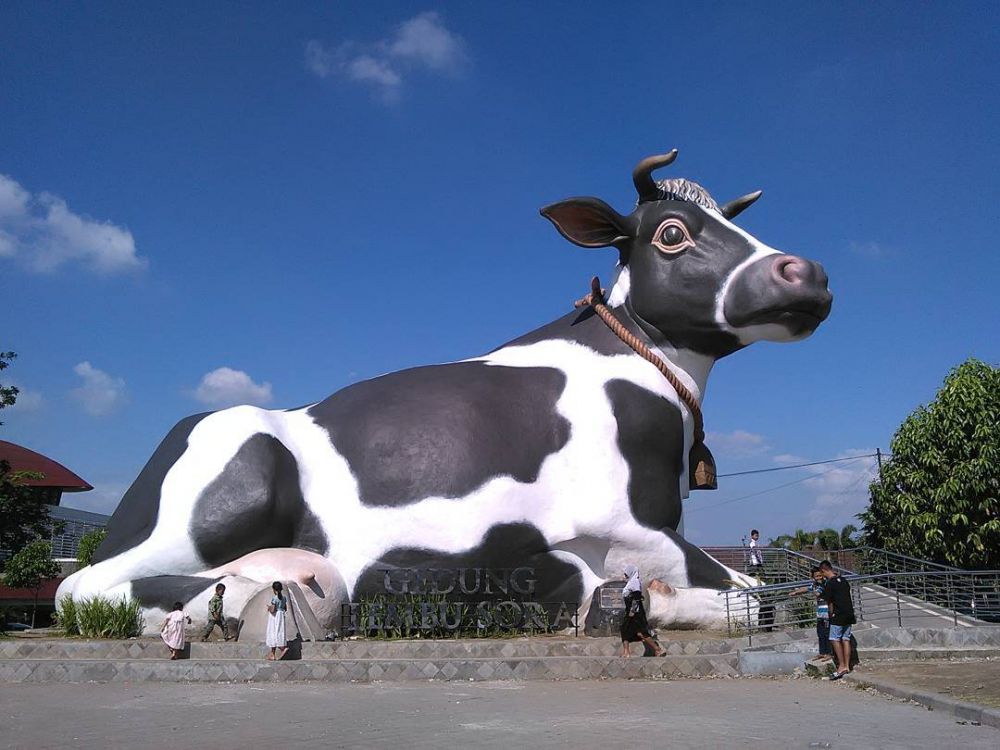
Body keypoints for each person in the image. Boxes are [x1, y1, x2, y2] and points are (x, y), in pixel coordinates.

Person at [819, 560, 856, 679]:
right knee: (846, 639)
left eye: (822, 573)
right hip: (849, 613)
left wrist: (831, 614)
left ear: (824, 570)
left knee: (834, 639)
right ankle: (847, 666)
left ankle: (841, 665)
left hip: (838, 614)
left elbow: (829, 601)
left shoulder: (830, 584)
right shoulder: (844, 580)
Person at [619, 565, 665, 657]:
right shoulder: (630, 583)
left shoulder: (635, 582)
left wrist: (632, 611)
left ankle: (657, 649)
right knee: (624, 630)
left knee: (641, 632)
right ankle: (626, 652)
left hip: (635, 612)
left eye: (626, 573)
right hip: (630, 611)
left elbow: (636, 598)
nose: (625, 575)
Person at [789, 566, 832, 661]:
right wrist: (796, 592)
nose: (819, 578)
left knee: (827, 633)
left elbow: (819, 593)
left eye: (820, 575)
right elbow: (807, 589)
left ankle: (829, 653)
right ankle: (822, 652)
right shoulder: (815, 585)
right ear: (813, 577)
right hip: (820, 613)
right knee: (820, 633)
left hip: (827, 613)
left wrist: (816, 592)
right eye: (817, 576)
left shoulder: (826, 584)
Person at [266, 581, 288, 661]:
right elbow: (285, 608)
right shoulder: (284, 598)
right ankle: (273, 654)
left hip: (275, 617)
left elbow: (273, 609)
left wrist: (269, 608)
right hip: (281, 615)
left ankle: (281, 649)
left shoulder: (274, 598)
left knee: (273, 632)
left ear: (273, 589)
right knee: (279, 631)